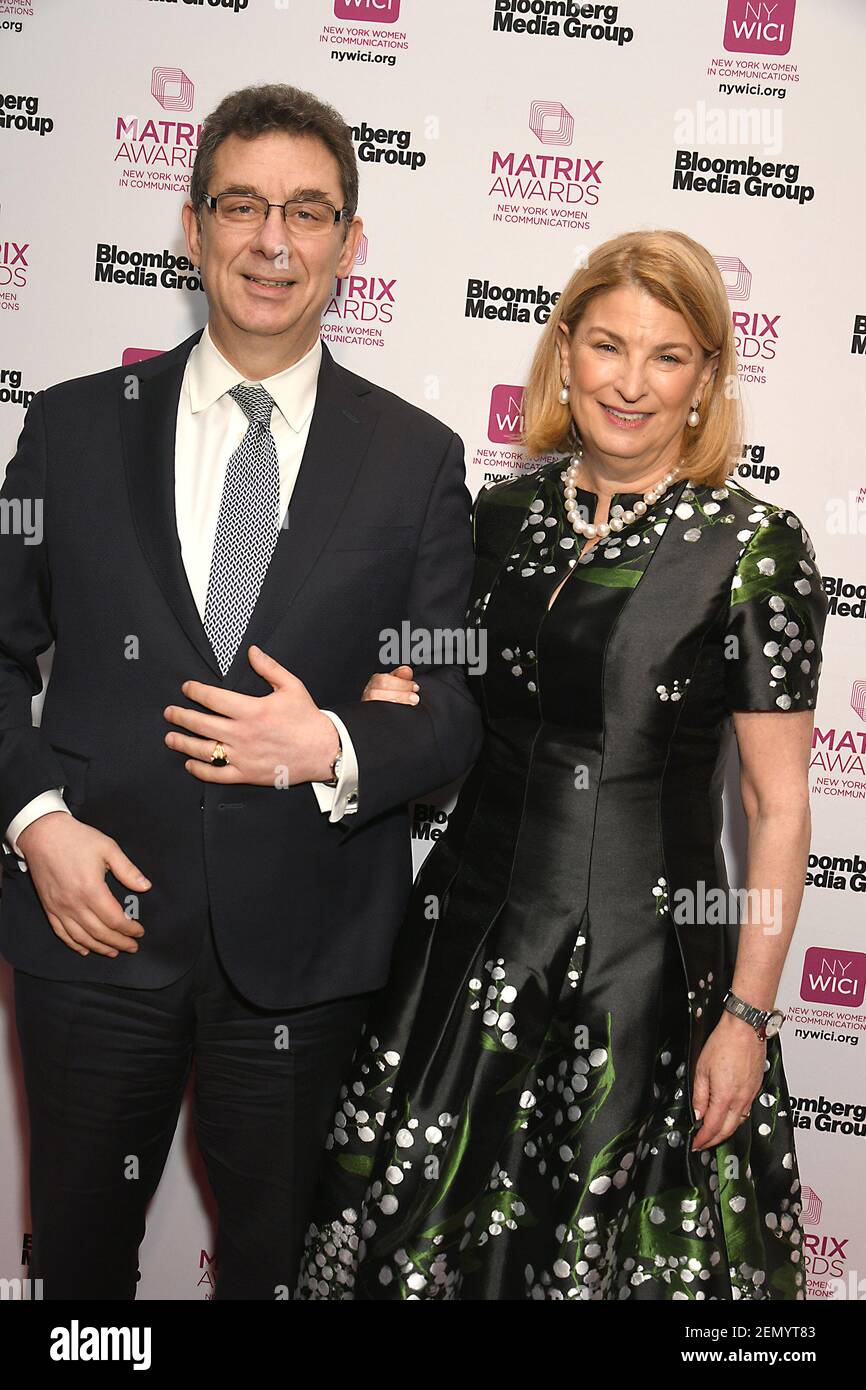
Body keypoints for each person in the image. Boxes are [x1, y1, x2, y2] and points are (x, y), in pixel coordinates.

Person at [0, 83, 482, 1299]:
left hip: (309, 951)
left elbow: (452, 698)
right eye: (244, 206)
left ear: (349, 243)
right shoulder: (66, 429)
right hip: (89, 934)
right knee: (79, 1270)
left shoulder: (416, 456)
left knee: (276, 1270)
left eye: (308, 211)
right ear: (191, 224)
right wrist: (35, 824)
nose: (274, 241)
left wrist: (324, 740)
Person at [296, 229, 828, 1301]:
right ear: (563, 353)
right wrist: (394, 698)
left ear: (705, 379)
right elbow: (448, 686)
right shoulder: (492, 517)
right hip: (460, 957)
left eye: (666, 355)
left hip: (642, 980)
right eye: (605, 345)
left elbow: (776, 808)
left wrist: (745, 1015)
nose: (629, 382)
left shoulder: (752, 547)